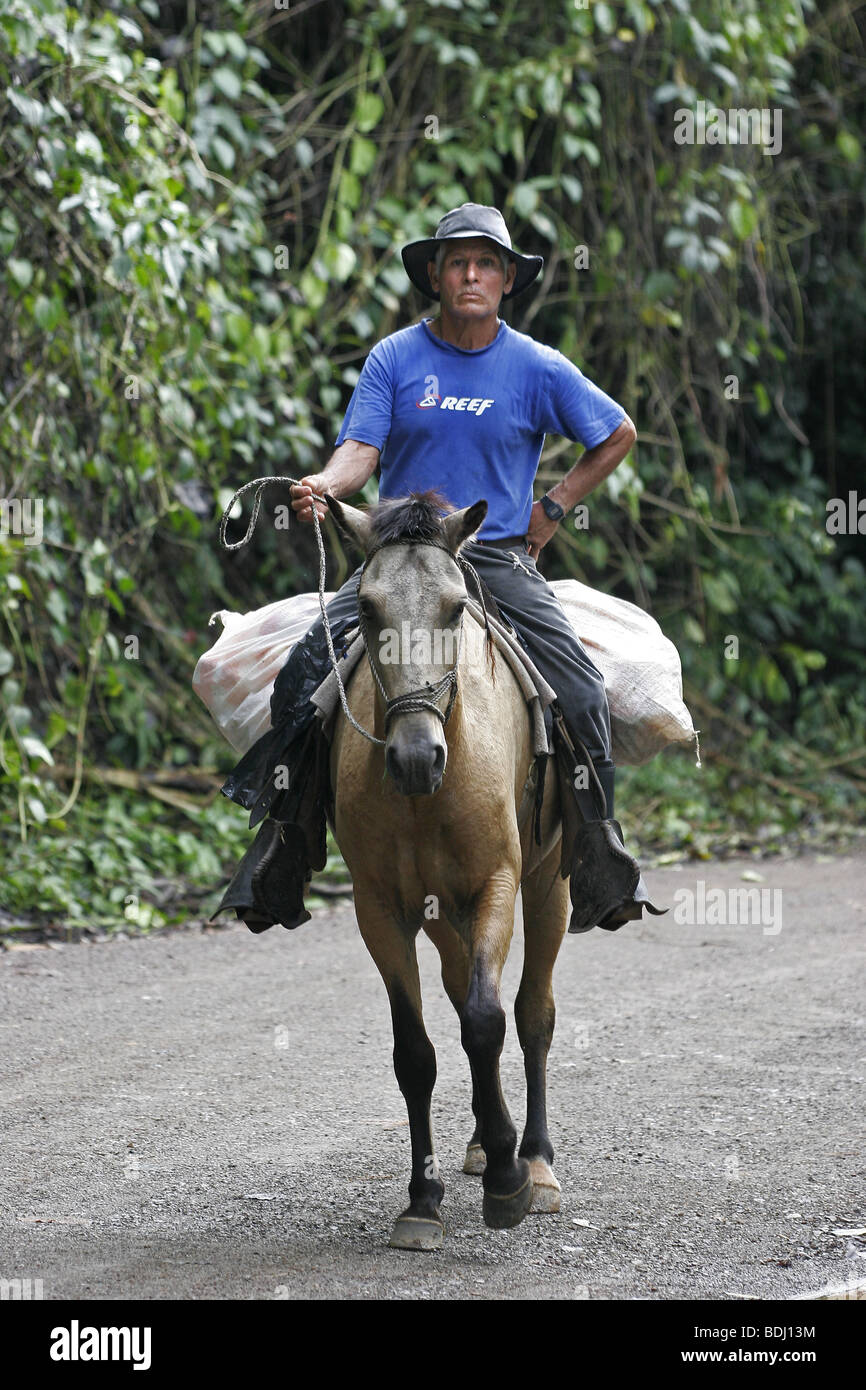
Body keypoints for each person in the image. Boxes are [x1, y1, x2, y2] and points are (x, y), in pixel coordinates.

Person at [215, 203, 663, 936]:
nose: (472, 274)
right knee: (304, 677)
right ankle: (284, 850)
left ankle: (600, 851)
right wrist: (325, 487)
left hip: (494, 555)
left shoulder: (536, 366)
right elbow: (358, 453)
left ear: (508, 279)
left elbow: (617, 432)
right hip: (400, 562)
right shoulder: (395, 358)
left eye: (487, 263)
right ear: (435, 274)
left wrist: (554, 505)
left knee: (579, 688)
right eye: (458, 262)